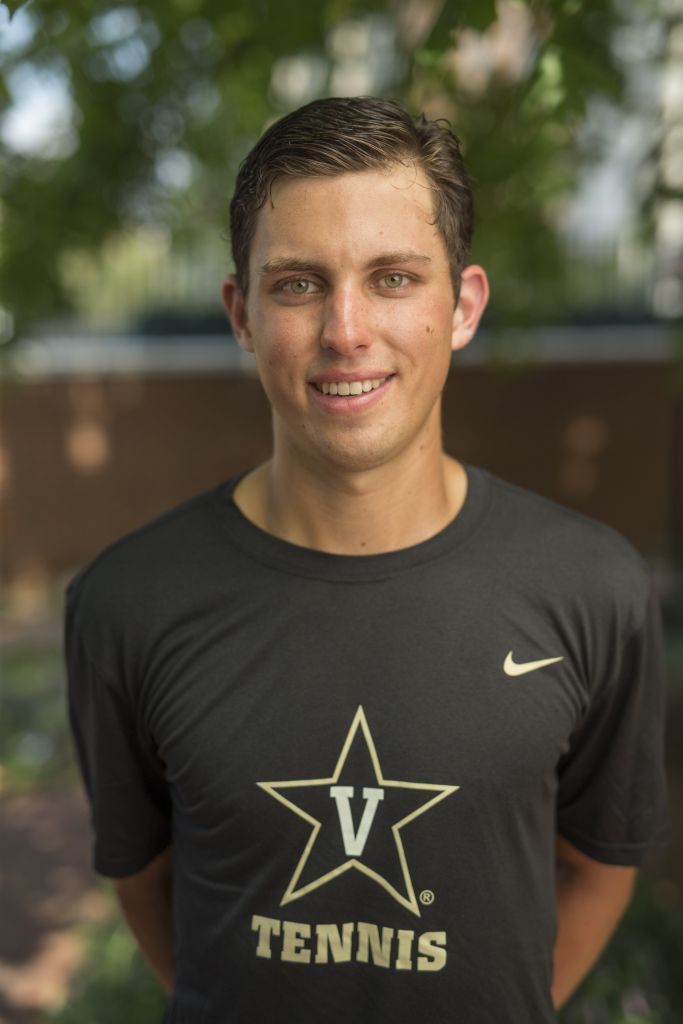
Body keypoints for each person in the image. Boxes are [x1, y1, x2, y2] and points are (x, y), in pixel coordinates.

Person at [65, 96, 669, 1023]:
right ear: (240, 312)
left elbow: (599, 869)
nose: (345, 331)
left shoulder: (591, 589)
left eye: (391, 278)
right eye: (298, 284)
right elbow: (147, 884)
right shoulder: (128, 602)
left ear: (461, 306)